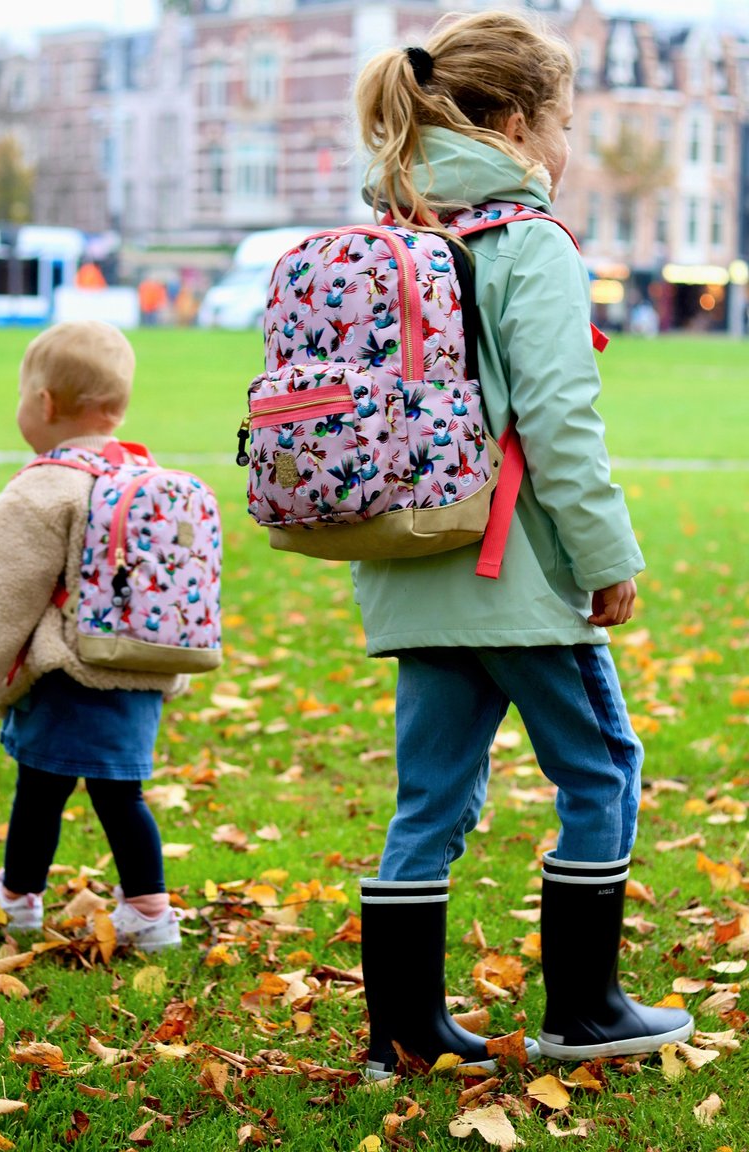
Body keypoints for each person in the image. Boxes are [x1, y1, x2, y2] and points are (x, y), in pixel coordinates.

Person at [351, 10, 694, 1077]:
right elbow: (556, 422)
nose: (567, 148)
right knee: (600, 771)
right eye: (563, 123)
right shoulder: (524, 242)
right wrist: (605, 559)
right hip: (519, 576)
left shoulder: (396, 234)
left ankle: (400, 1035)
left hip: (413, 567)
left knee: (427, 804)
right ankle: (582, 1011)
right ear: (508, 121)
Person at [0, 321, 183, 951]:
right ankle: (151, 912)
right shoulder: (147, 476)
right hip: (138, 672)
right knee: (123, 796)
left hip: (66, 676)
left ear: (44, 403)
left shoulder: (44, 487)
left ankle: (20, 898)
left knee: (39, 790)